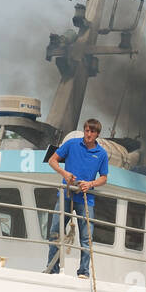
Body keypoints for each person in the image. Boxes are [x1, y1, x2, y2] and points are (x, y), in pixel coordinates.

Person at [46, 118, 109, 277]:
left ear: (97, 134)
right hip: (65, 195)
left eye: (92, 132)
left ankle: (84, 271)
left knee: (86, 237)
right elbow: (52, 160)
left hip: (86, 199)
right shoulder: (72, 144)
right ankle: (52, 269)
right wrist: (65, 174)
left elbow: (104, 178)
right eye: (87, 130)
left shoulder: (101, 154)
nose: (88, 134)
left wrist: (90, 184)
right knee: (55, 231)